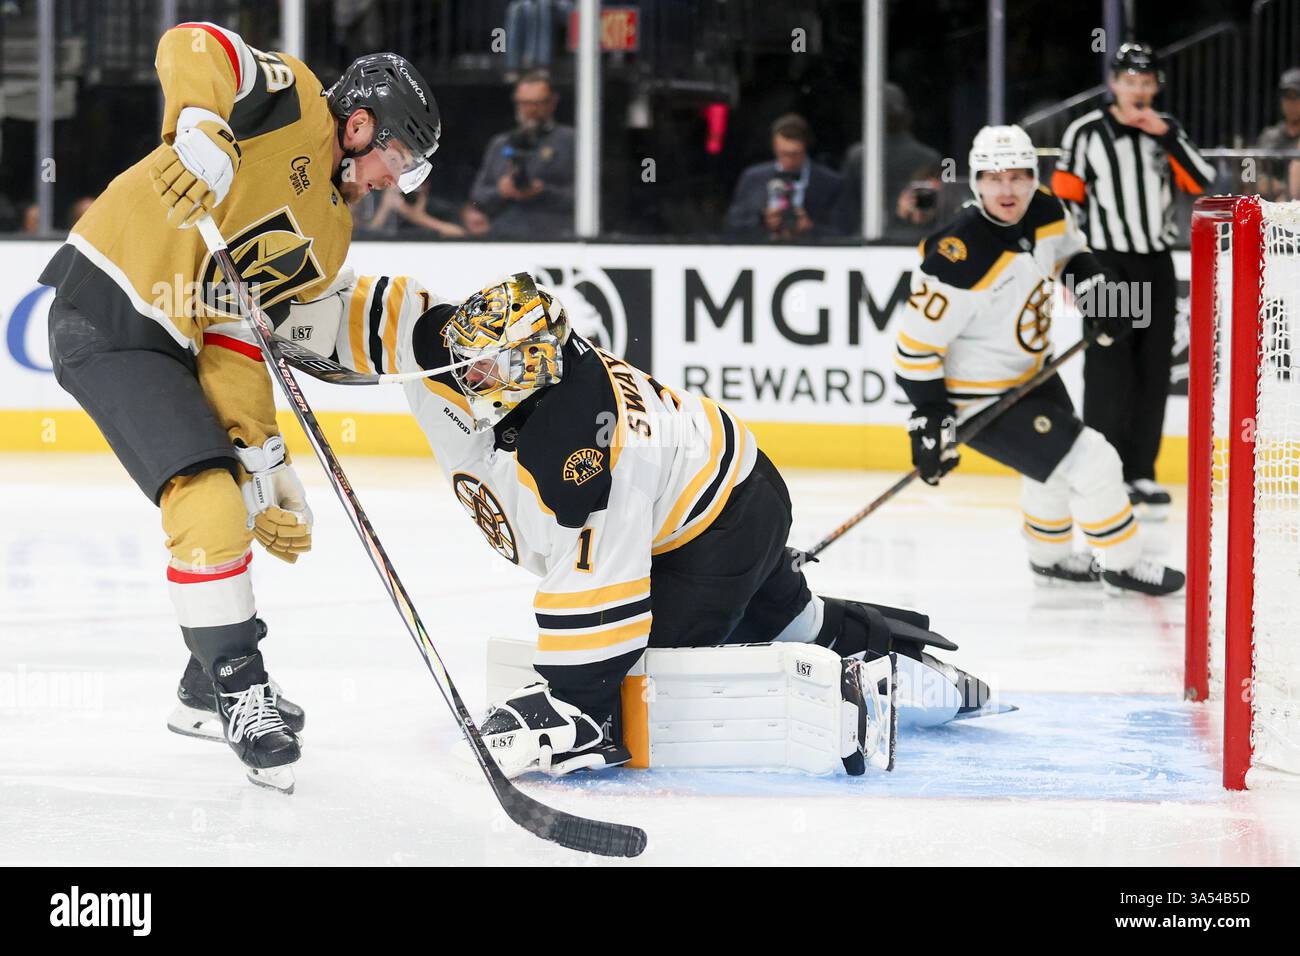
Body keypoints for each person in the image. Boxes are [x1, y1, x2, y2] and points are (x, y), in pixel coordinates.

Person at [275, 270, 1000, 777]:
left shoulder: (579, 455)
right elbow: (401, 313)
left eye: (488, 368)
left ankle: (856, 697)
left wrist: (575, 706)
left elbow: (604, 579)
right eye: (467, 362)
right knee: (791, 619)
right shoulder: (497, 357)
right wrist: (286, 316)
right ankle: (932, 679)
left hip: (718, 528)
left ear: (531, 363)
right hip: (727, 481)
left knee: (652, 674)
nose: (468, 378)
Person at [37, 21, 441, 792]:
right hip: (109, 310)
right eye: (397, 159)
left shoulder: (331, 234)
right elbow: (194, 42)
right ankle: (237, 685)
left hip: (179, 344)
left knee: (237, 484)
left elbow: (234, 331)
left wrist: (266, 453)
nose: (395, 180)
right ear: (359, 125)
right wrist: (200, 124)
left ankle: (200, 686)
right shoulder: (292, 102)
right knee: (208, 497)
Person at [896, 124, 1184, 596]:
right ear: (976, 182)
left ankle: (1050, 558)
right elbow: (915, 347)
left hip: (1032, 373)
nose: (1006, 189)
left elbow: (1070, 255)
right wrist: (930, 416)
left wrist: (1098, 298)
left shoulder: (1046, 208)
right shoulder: (958, 256)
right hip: (979, 398)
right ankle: (1125, 563)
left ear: (1034, 176)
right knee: (1096, 461)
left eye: (1018, 176)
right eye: (993, 177)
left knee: (1050, 465)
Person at [1052, 42, 1214, 520]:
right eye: (1130, 82)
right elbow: (1065, 202)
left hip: (1154, 262)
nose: (1138, 91)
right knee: (1109, 368)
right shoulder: (1086, 133)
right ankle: (1104, 471)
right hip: (1106, 262)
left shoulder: (1167, 133)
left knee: (1151, 369)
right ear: (1114, 84)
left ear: (1156, 87)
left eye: (1147, 83)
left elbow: (1201, 182)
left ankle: (1141, 470)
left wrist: (1166, 136)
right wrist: (1069, 264)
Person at [467, 70, 575, 239]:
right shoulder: (501, 143)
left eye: (537, 103)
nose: (530, 110)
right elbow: (478, 195)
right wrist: (501, 191)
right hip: (504, 237)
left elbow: (587, 198)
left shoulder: (570, 141)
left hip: (554, 238)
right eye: (524, 103)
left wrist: (543, 192)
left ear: (552, 102)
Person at [841, 83, 945, 240]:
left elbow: (847, 212)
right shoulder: (929, 157)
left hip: (879, 238)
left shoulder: (858, 156)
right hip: (912, 239)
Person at [724, 113, 847, 240]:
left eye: (795, 154)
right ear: (774, 147)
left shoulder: (830, 182)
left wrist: (809, 228)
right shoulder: (753, 178)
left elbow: (844, 231)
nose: (789, 160)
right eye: (783, 153)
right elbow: (732, 227)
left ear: (806, 147)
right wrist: (762, 220)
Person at [1254, 68, 1300, 201]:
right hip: (1269, 207)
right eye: (1286, 96)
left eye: (1296, 96)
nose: (1290, 103)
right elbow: (1249, 169)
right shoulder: (1269, 136)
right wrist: (1259, 181)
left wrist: (1284, 189)